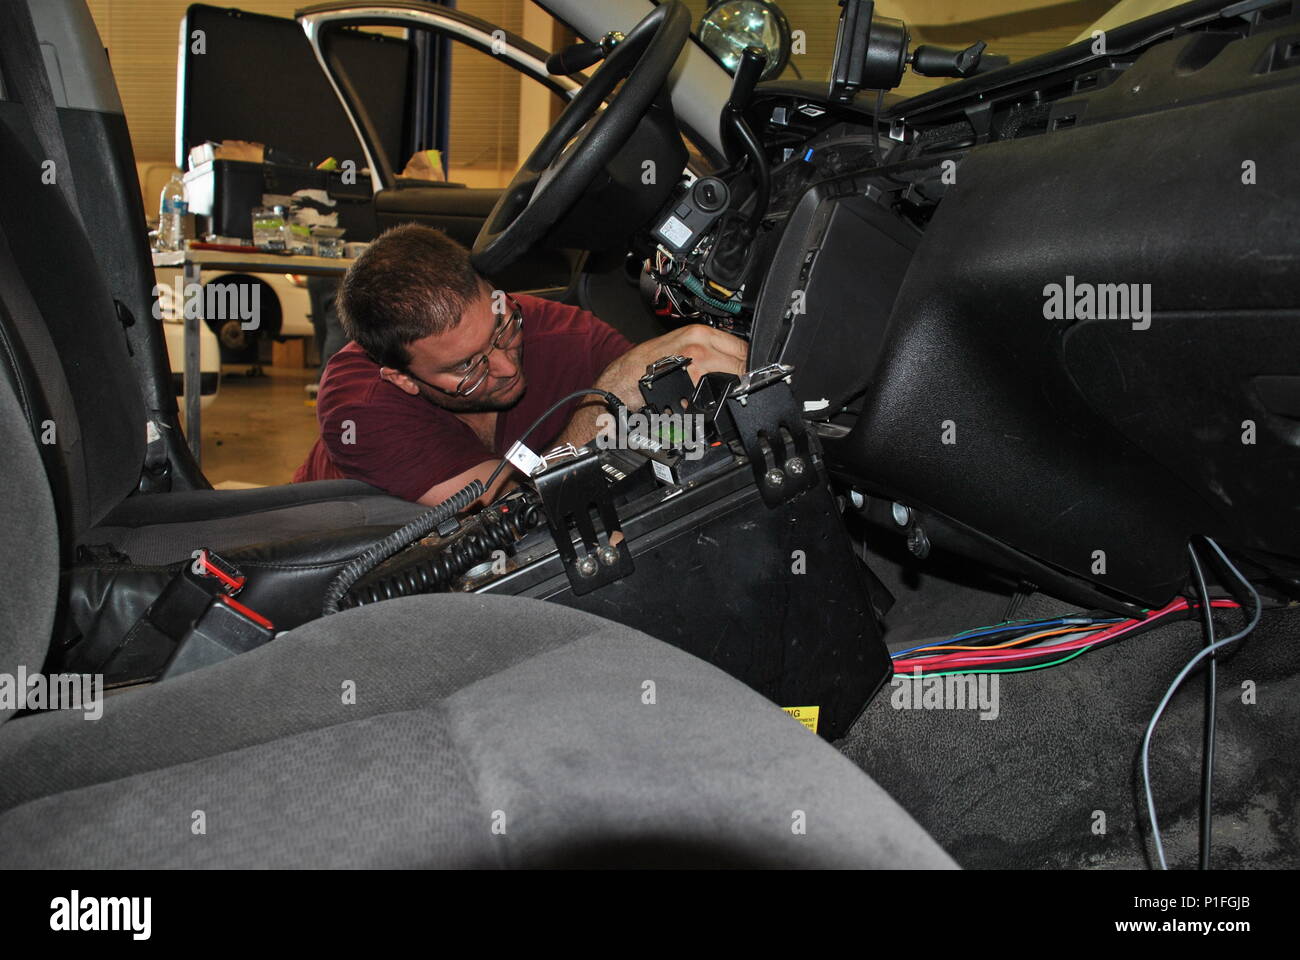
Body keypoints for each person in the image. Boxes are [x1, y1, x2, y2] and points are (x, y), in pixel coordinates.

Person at [293, 224, 746, 508]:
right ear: (402, 379)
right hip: (346, 553)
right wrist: (597, 407)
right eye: (467, 367)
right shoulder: (363, 403)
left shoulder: (567, 336)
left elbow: (660, 434)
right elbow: (503, 517)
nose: (506, 367)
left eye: (503, 329)